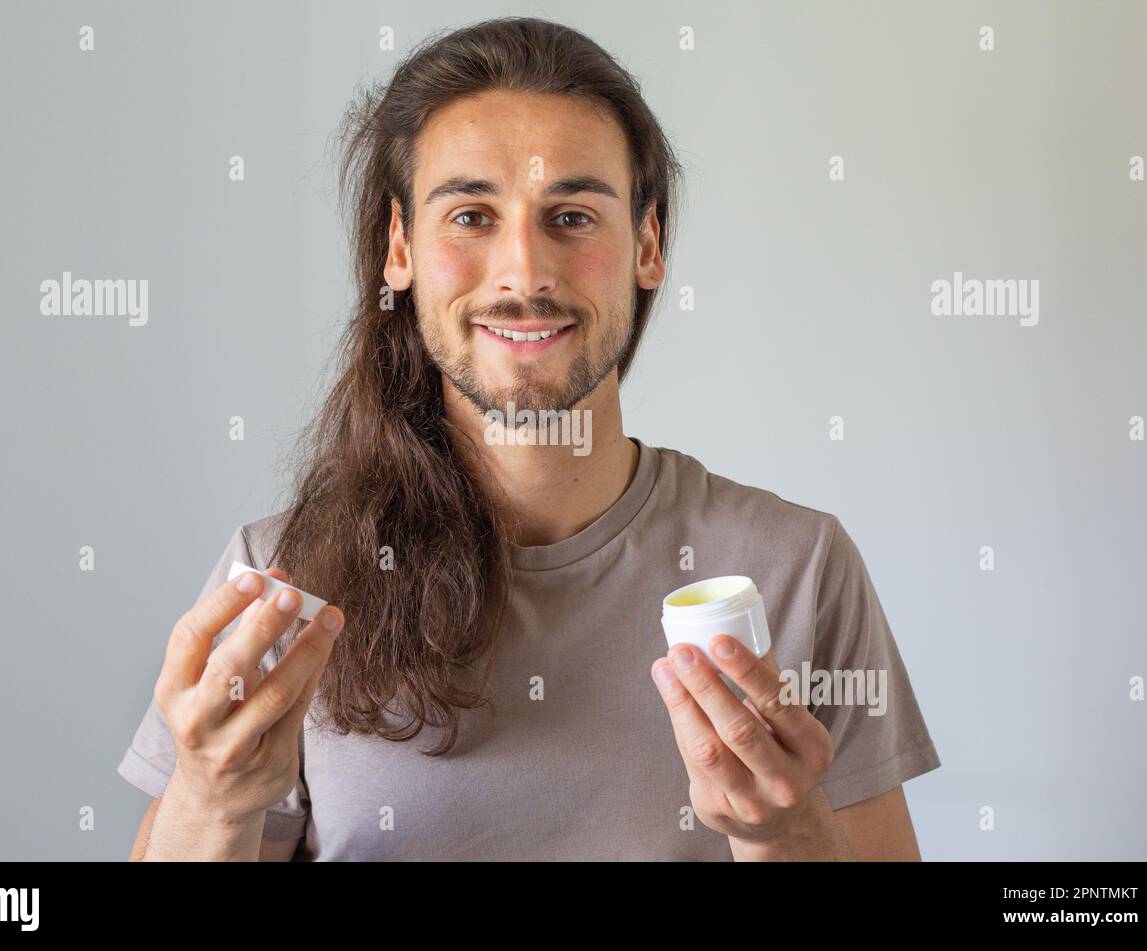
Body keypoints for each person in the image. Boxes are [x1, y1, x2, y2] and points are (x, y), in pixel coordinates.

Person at [119, 16, 940, 861]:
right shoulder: (286, 584)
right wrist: (210, 800)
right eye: (471, 215)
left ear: (648, 244)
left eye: (573, 217)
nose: (524, 273)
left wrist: (783, 831)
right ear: (400, 248)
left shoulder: (796, 567)